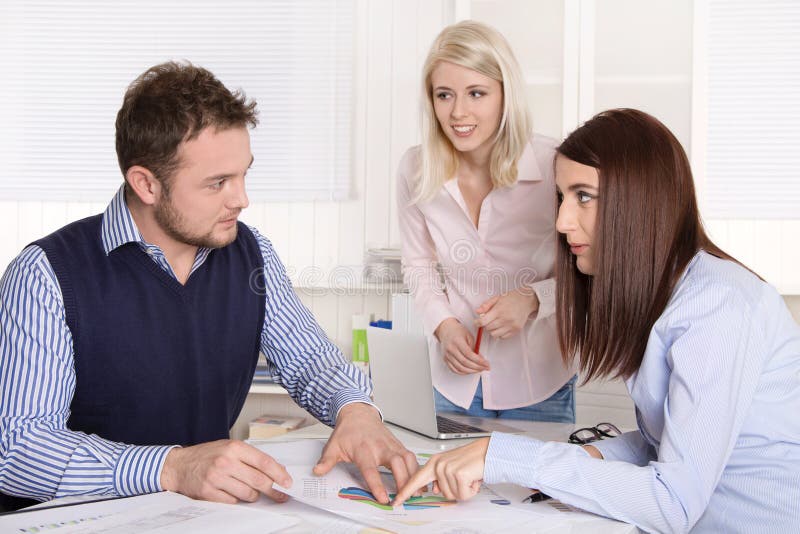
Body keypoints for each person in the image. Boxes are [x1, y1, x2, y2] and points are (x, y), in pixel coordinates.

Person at [0, 61, 417, 511]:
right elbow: (18, 450)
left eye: (243, 174)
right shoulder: (45, 275)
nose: (241, 198)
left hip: (199, 517)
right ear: (146, 184)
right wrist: (172, 467)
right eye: (218, 183)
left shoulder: (251, 253)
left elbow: (311, 361)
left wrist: (354, 410)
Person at [393, 109, 800, 532]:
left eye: (583, 196)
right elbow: (660, 446)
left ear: (640, 200)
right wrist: (512, 458)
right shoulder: (664, 296)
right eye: (561, 197)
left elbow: (673, 502)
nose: (562, 222)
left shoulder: (719, 306)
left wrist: (508, 457)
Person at [396, 20, 575, 421]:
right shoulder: (415, 169)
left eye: (476, 93)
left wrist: (532, 299)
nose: (458, 112)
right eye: (445, 95)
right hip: (452, 380)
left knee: (532, 487)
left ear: (504, 95)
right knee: (443, 483)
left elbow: (592, 269)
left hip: (540, 380)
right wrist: (443, 325)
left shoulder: (554, 165)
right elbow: (418, 264)